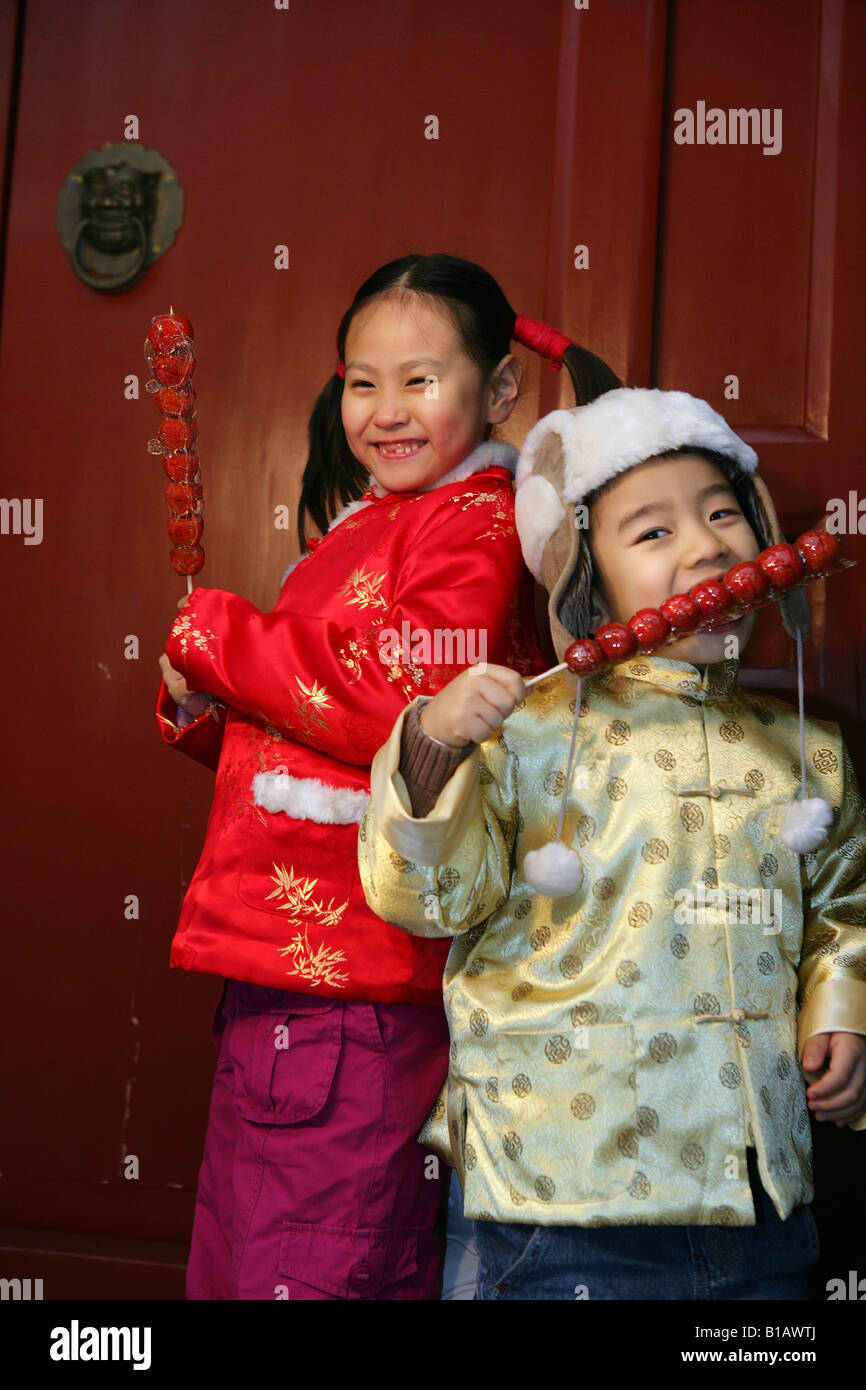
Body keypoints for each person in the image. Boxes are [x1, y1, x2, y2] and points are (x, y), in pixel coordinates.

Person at [154, 251, 619, 1300]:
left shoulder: (480, 520)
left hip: (358, 966)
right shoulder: (362, 527)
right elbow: (299, 734)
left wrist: (218, 632)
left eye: (419, 378)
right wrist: (195, 702)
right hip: (281, 957)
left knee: (315, 1260)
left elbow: (408, 687)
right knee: (242, 1247)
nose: (384, 409)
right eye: (362, 382)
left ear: (498, 389)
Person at [357, 385, 866, 1300]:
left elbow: (843, 910)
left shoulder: (808, 751)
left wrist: (842, 1009)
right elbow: (428, 900)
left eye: (723, 515)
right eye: (654, 532)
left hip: (760, 1211)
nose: (708, 546)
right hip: (557, 1203)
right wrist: (434, 747)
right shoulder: (525, 732)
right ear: (586, 580)